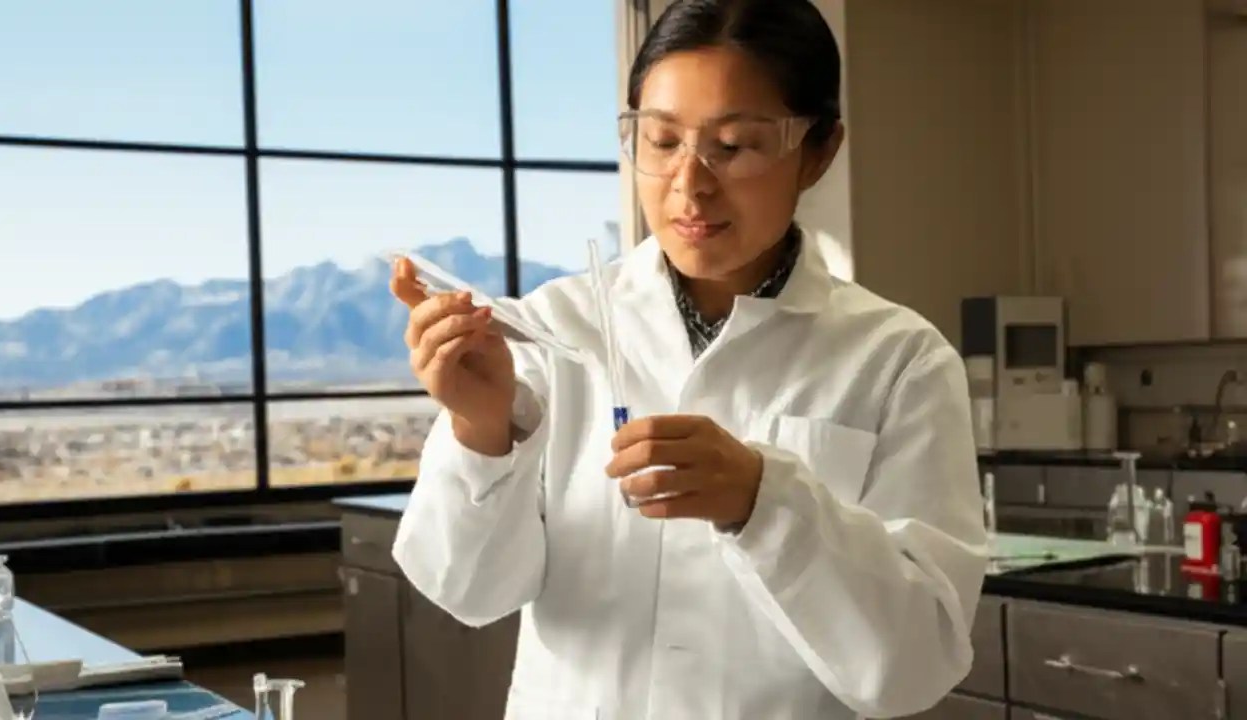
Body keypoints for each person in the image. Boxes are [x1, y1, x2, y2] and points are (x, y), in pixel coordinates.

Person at [389, 0, 987, 717]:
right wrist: (481, 433)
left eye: (733, 145)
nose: (690, 183)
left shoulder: (899, 362)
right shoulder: (556, 326)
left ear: (819, 151)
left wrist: (765, 501)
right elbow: (469, 591)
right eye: (662, 140)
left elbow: (912, 668)